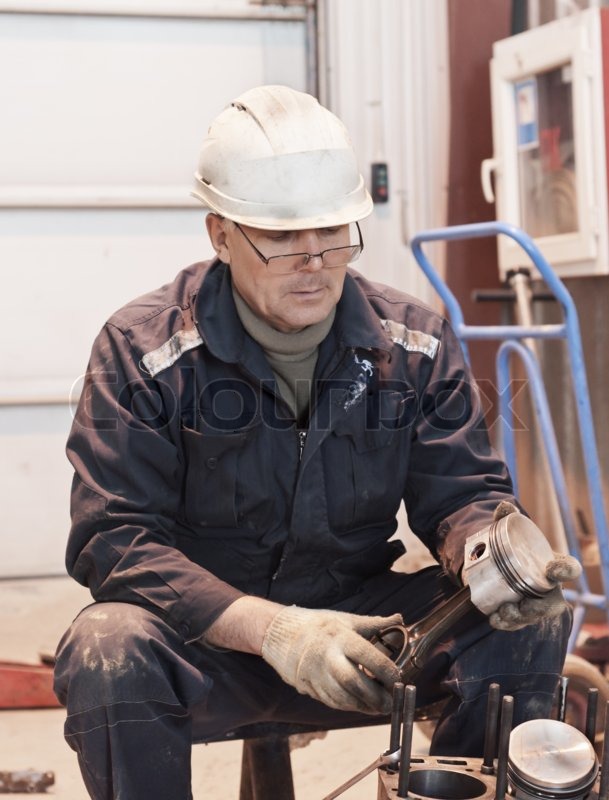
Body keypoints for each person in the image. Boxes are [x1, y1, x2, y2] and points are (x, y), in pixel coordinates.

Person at [54, 85, 578, 800]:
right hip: (207, 642)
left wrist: (493, 553)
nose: (313, 259)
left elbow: (461, 492)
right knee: (108, 649)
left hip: (366, 637)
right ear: (220, 234)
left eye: (332, 229)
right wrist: (274, 631)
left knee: (525, 627)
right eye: (280, 236)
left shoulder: (414, 344)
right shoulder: (142, 352)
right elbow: (113, 539)